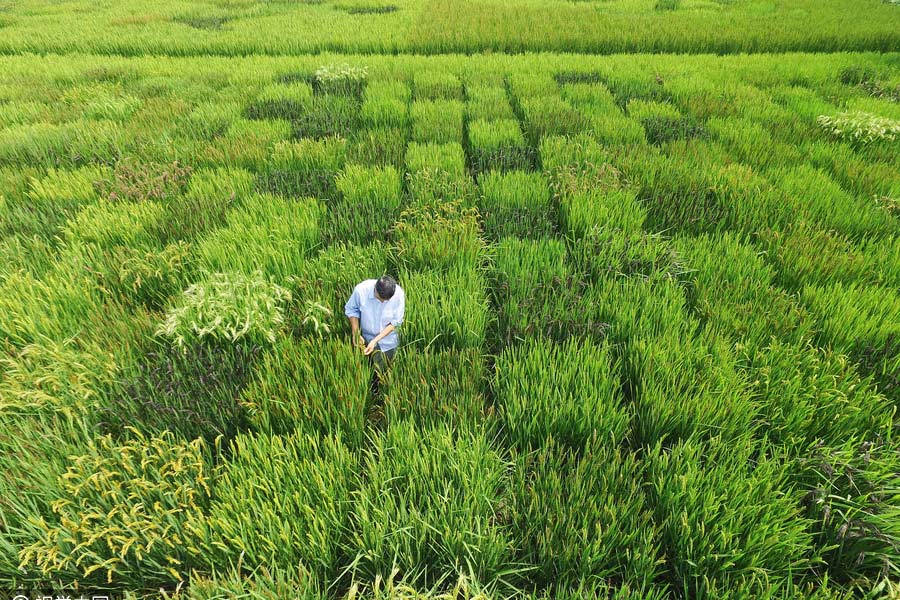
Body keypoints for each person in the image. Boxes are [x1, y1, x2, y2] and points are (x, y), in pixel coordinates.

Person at [344, 275, 405, 374]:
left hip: (388, 342)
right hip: (366, 339)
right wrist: (356, 333)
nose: (382, 302)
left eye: (386, 300)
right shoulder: (361, 290)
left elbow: (396, 322)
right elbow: (352, 310)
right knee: (365, 370)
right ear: (375, 289)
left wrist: (375, 341)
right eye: (380, 298)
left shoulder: (399, 294)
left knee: (383, 372)